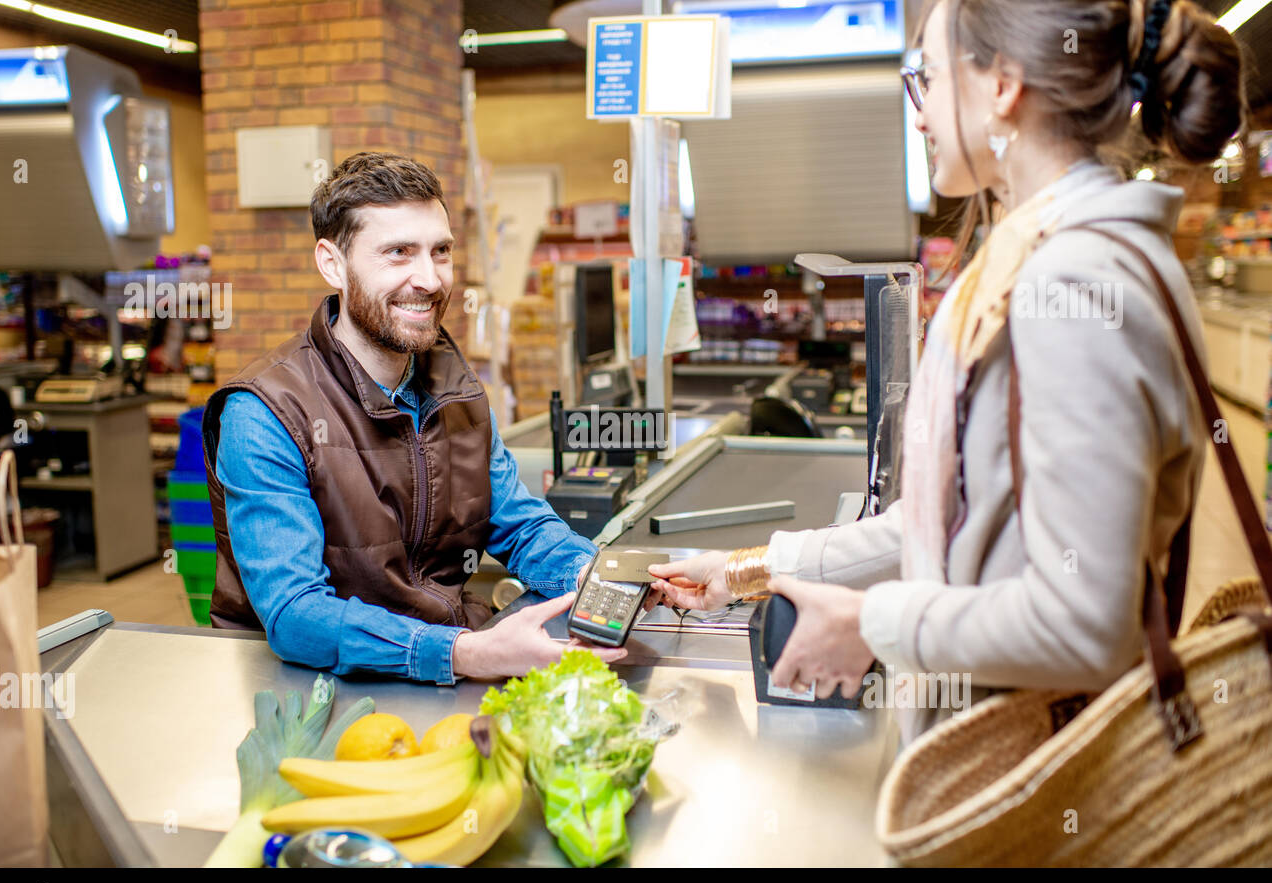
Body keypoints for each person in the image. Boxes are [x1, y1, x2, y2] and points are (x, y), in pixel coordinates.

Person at [649, 0, 1247, 742]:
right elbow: (941, 527)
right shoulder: (1044, 254)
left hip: (1031, 786)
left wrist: (876, 622)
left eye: (924, 77)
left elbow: (1085, 620)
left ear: (1001, 86)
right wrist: (747, 569)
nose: (920, 113)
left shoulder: (1074, 283)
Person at [202, 152, 625, 684]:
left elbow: (517, 522)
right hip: (313, 691)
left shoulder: (454, 385)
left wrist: (597, 578)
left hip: (445, 664)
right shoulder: (264, 412)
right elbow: (295, 615)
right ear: (332, 263)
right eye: (398, 253)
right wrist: (463, 652)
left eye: (440, 251)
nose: (428, 279)